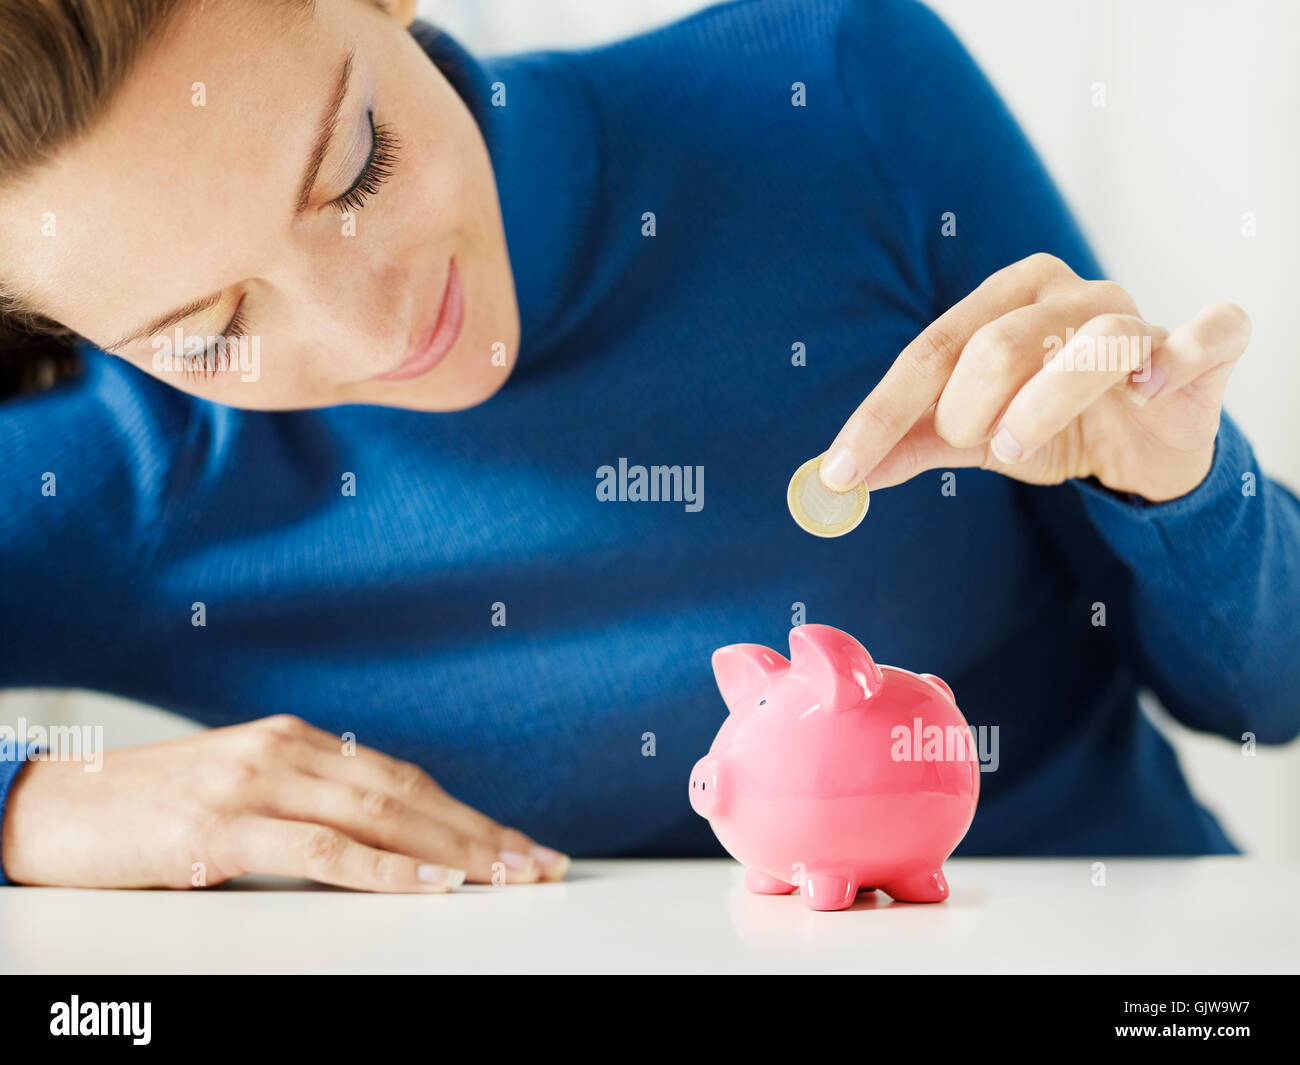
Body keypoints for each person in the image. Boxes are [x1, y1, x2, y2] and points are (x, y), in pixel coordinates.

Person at [1, 0, 1296, 893]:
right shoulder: (122, 478)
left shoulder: (841, 92)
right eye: (210, 329)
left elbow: (1268, 695)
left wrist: (1180, 485)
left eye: (355, 167)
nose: (377, 324)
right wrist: (34, 800)